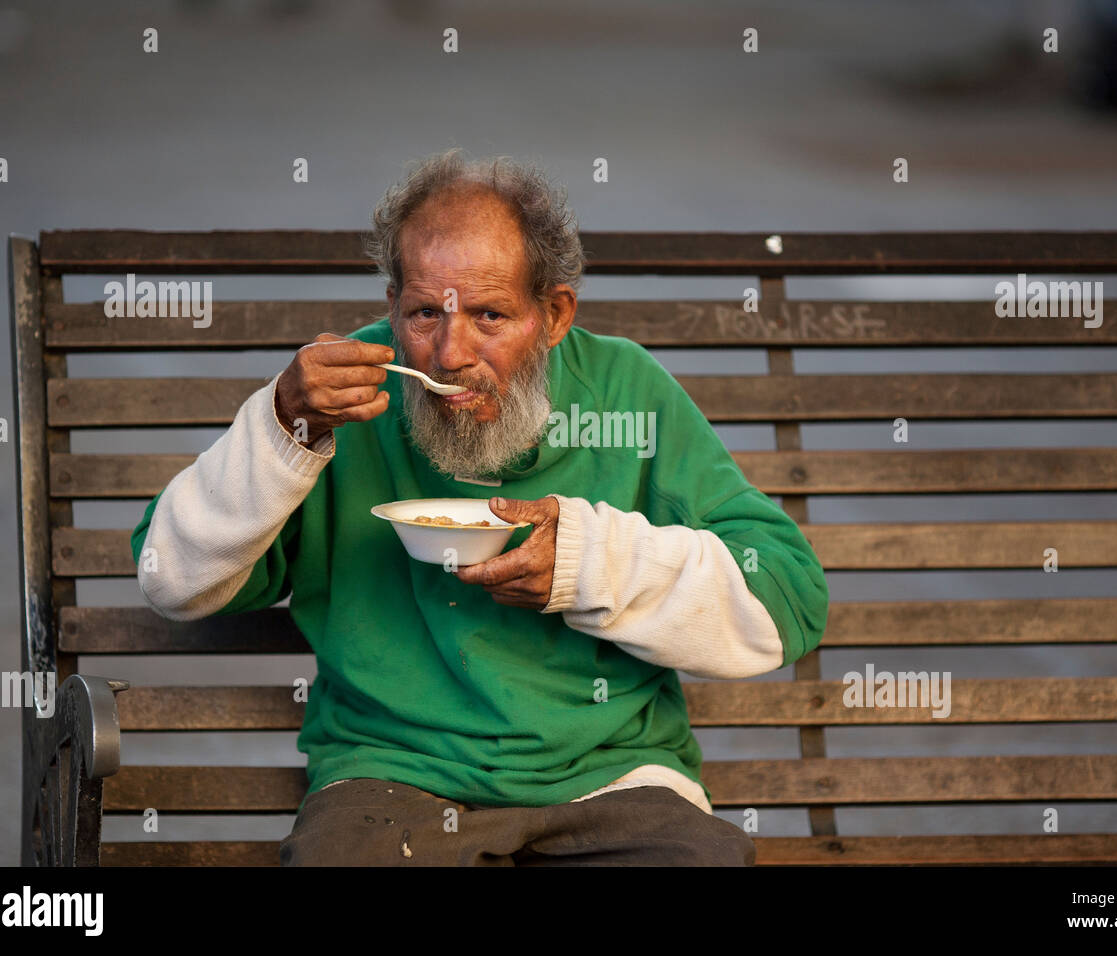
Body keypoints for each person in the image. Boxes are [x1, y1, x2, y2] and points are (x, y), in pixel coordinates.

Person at [130, 148, 829, 866]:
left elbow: (788, 602)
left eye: (490, 314)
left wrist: (590, 562)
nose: (448, 353)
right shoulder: (338, 398)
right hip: (392, 773)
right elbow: (171, 580)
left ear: (554, 314)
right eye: (425, 312)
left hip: (617, 777)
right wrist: (283, 430)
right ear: (392, 307)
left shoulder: (628, 392)